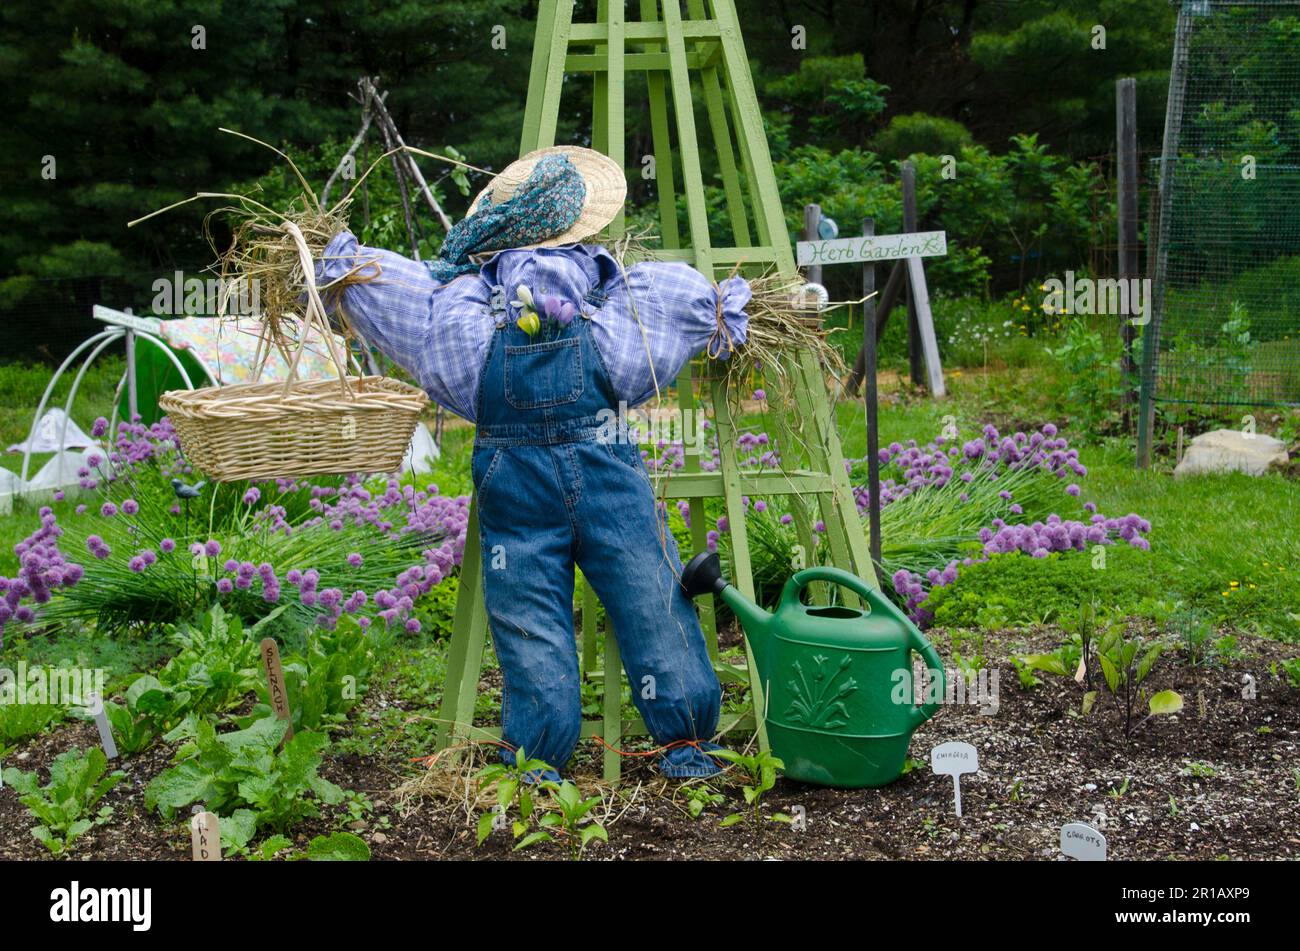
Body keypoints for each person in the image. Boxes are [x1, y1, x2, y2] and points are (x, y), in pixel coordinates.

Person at [316, 146, 752, 780]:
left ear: (496, 235)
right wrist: (724, 310)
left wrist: (338, 264)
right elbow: (678, 313)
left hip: (512, 482)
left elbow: (396, 298)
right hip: (606, 468)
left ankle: (537, 756)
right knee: (650, 593)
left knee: (528, 613)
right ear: (586, 231)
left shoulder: (460, 304)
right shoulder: (624, 297)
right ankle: (684, 739)